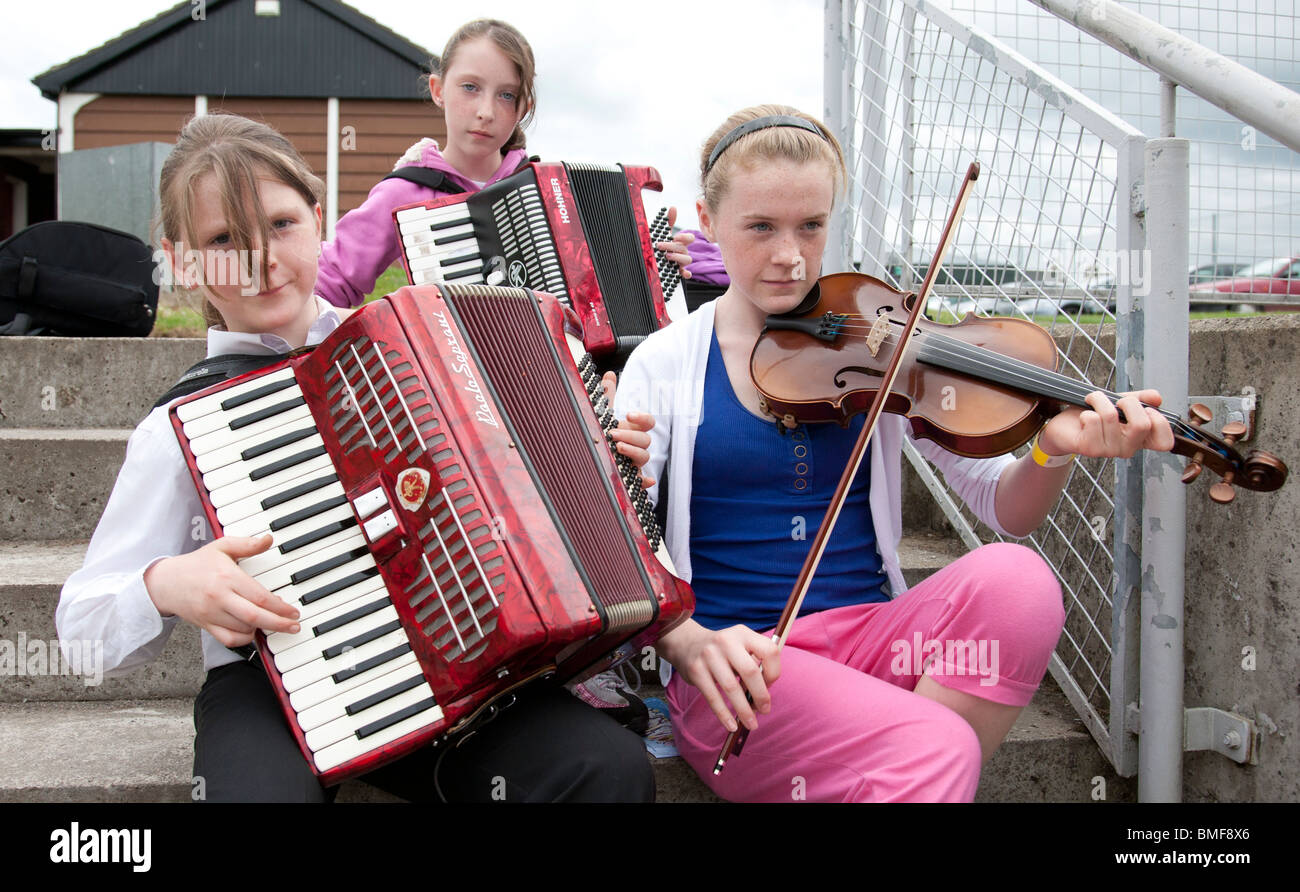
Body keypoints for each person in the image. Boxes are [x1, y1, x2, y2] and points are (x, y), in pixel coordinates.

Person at [56, 112, 657, 803]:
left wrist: (601, 458)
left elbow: (532, 490)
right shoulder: (177, 427)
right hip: (275, 688)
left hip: (460, 658)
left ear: (319, 220)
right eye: (225, 240)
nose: (263, 261)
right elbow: (81, 631)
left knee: (605, 770)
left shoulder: (424, 345)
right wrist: (164, 584)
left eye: (282, 225)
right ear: (184, 258)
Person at [612, 104, 1175, 802]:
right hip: (743, 671)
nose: (790, 256)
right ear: (707, 218)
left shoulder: (876, 345)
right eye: (761, 227)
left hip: (877, 643)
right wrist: (683, 639)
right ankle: (913, 762)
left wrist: (1052, 450)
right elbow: (623, 545)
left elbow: (1006, 510)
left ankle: (900, 771)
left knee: (1021, 584)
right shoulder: (665, 363)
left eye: (811, 226)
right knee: (936, 744)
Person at [315, 17, 695, 309]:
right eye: (470, 88)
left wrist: (648, 268)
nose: (485, 112)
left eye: (506, 96)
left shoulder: (552, 192)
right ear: (437, 90)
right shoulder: (406, 192)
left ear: (523, 109)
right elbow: (329, 285)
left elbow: (595, 305)